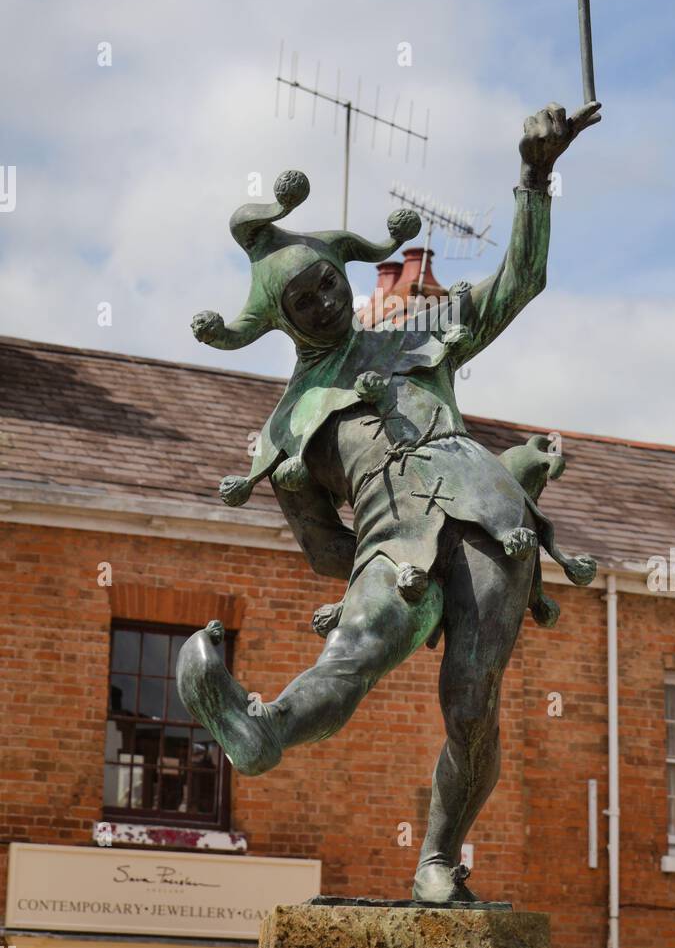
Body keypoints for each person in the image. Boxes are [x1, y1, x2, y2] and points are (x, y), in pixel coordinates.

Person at [177, 98, 600, 904]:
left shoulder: (416, 332)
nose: (327, 303)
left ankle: (438, 856)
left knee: (470, 704)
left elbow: (522, 281)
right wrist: (355, 587)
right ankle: (262, 731)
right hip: (388, 552)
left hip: (484, 517)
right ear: (280, 320)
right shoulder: (283, 431)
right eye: (305, 302)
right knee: (351, 656)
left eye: (331, 284)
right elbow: (322, 548)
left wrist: (534, 177)